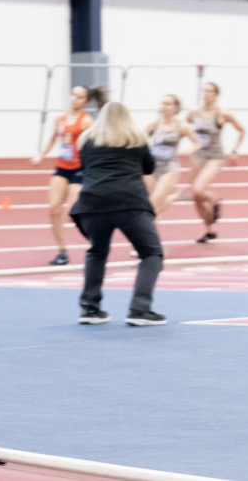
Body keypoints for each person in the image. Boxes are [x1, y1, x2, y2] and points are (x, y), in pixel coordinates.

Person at [69, 102, 167, 326]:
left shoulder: (87, 140)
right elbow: (149, 168)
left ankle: (90, 309)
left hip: (92, 203)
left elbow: (85, 167)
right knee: (152, 254)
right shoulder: (136, 139)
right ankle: (139, 309)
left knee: (97, 252)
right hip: (129, 202)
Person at [30, 85, 108, 265]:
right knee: (53, 209)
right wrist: (41, 155)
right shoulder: (61, 118)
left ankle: (97, 239)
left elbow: (96, 143)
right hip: (62, 168)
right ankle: (62, 252)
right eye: (73, 95)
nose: (75, 99)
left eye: (80, 97)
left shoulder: (87, 121)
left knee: (73, 211)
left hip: (79, 169)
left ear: (85, 101)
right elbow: (52, 138)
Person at [186, 82, 245, 243]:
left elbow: (242, 130)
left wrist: (234, 151)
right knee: (195, 196)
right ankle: (210, 230)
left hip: (215, 157)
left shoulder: (222, 114)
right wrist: (192, 144)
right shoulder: (193, 113)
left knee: (198, 189)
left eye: (210, 91)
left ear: (216, 95)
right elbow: (184, 128)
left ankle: (213, 200)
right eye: (204, 91)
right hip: (198, 156)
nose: (206, 94)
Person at [145, 94, 201, 218]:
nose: (164, 106)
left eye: (168, 104)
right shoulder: (152, 125)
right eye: (162, 103)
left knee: (152, 206)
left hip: (169, 169)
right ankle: (175, 196)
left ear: (176, 108)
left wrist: (190, 150)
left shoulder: (182, 126)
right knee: (155, 207)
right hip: (152, 168)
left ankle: (150, 235)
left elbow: (199, 142)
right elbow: (142, 142)